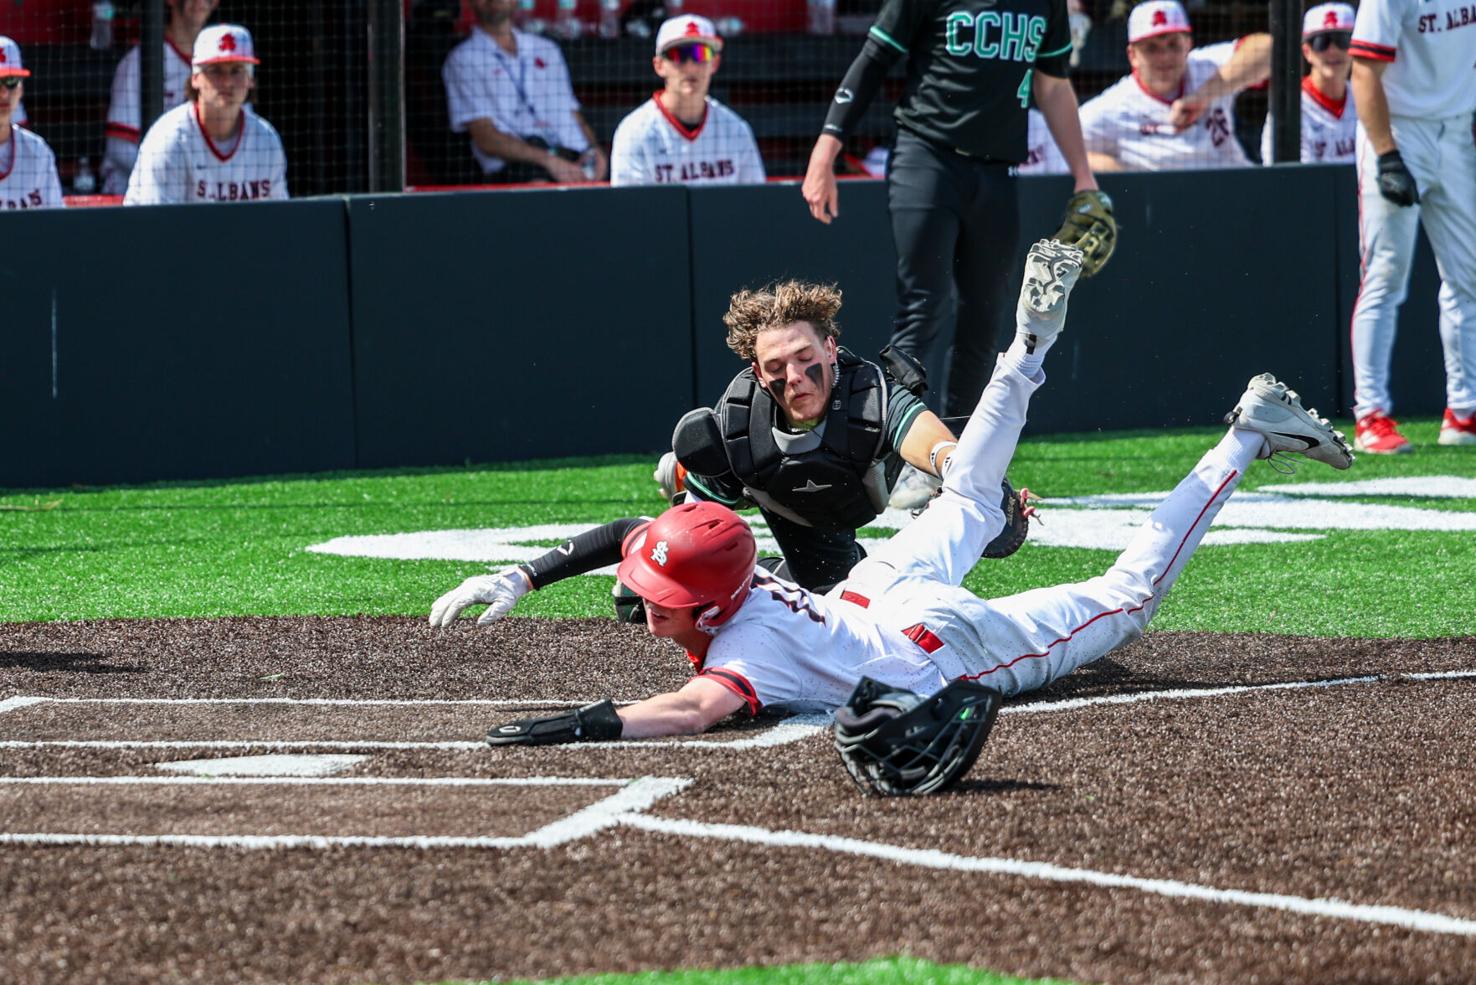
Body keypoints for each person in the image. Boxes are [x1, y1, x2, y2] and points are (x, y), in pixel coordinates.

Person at [434, 240, 1355, 745]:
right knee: (968, 499)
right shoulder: (728, 505)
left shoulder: (746, 637)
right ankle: (1025, 350)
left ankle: (1245, 435)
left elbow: (686, 710)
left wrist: (579, 726)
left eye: (663, 603)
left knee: (1122, 596)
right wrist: (524, 573)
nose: (645, 608)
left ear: (833, 351)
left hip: (925, 640)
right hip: (864, 589)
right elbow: (649, 529)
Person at [800, 0, 1108, 427]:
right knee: (923, 307)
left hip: (998, 172)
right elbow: (873, 59)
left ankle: (960, 459)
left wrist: (1084, 176)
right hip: (926, 157)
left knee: (985, 318)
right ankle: (896, 452)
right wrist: (825, 149)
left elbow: (1053, 85)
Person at [1345, 0, 1476, 452]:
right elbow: (1362, 71)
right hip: (1399, 131)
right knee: (1385, 275)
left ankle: (1464, 411)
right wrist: (1385, 154)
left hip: (1458, 129)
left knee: (1469, 275)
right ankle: (1371, 415)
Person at [1078, 0, 1270, 172]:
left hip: (1237, 187)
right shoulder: (1113, 107)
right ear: (1133, 56)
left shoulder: (1206, 67)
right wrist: (1119, 173)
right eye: (1151, 48)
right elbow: (1062, 148)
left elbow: (1269, 49)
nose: (1165, 57)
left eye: (1173, 45)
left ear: (1188, 44)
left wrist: (1204, 95)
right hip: (1170, 202)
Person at [442, 0, 606, 185]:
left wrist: (595, 151)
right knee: (539, 188)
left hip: (574, 156)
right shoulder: (464, 59)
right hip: (520, 164)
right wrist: (549, 161)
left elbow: (573, 113)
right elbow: (485, 137)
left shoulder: (547, 49)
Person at [123, 24, 288, 205]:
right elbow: (158, 226)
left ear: (250, 80)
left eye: (237, 71)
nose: (227, 81)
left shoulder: (266, 140)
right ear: (195, 78)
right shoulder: (169, 139)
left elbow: (277, 221)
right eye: (215, 70)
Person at [609, 15, 764, 188]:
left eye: (701, 54)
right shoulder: (634, 133)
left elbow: (754, 207)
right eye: (678, 55)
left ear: (714, 63)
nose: (690, 67)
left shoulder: (736, 131)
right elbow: (632, 211)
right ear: (659, 65)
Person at [100, 0, 219, 195]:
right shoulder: (138, 62)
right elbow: (118, 148)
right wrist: (173, 174)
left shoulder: (224, 71)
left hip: (199, 193)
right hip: (133, 194)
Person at [1259, 3, 1357, 166]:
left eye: (1342, 40)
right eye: (1322, 42)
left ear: (1354, 47)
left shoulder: (1366, 99)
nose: (1332, 50)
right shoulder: (1290, 109)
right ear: (1307, 52)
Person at [0, 36, 63, 210]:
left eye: (10, 81)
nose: (4, 93)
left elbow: (58, 227)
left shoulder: (38, 152)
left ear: (20, 89)